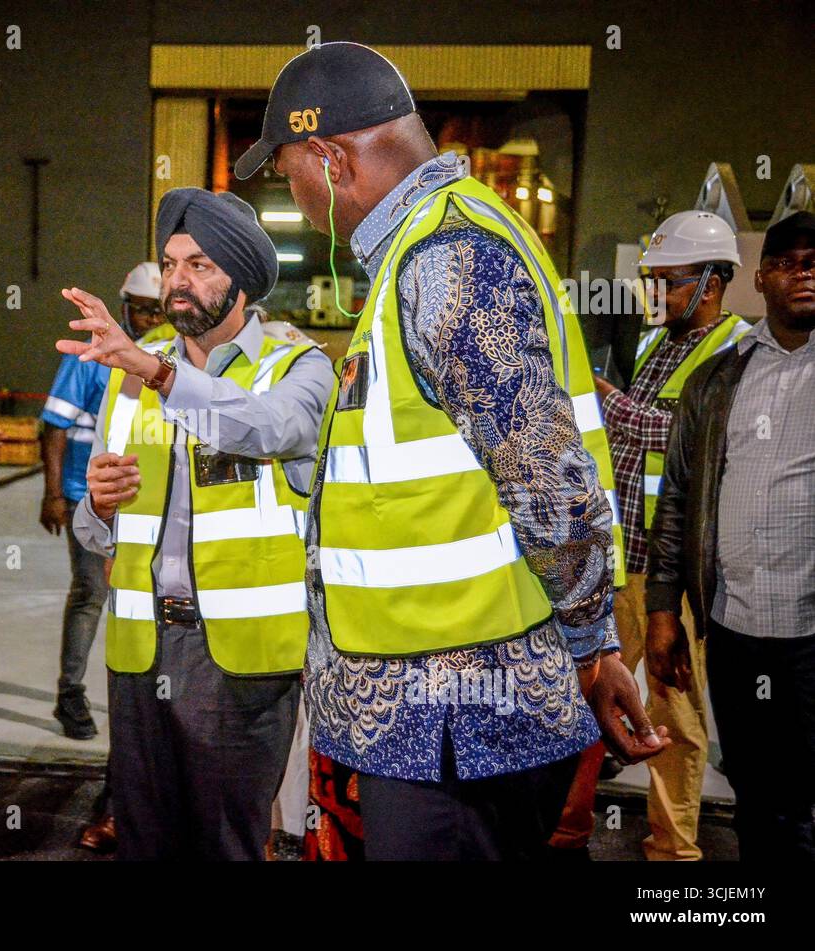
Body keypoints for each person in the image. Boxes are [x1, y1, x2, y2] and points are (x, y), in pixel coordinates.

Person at [235, 42, 667, 860]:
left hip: (457, 722)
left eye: (287, 169)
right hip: (436, 717)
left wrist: (590, 640)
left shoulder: (449, 257)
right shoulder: (428, 248)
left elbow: (549, 479)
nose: (287, 189)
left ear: (329, 160)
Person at [60, 188, 334, 860]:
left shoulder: (298, 366)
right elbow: (94, 532)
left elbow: (266, 428)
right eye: (171, 263)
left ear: (241, 279)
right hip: (141, 650)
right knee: (145, 845)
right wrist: (96, 504)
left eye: (201, 264)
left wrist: (155, 371)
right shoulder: (135, 366)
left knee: (225, 847)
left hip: (240, 660)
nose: (178, 279)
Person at [552, 211, 751, 859]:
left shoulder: (739, 352)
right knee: (589, 696)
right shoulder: (657, 345)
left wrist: (597, 394)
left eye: (669, 282)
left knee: (674, 717)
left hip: (677, 571)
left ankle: (673, 852)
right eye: (654, 281)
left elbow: (678, 439)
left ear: (713, 282)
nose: (656, 296)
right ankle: (569, 826)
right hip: (619, 559)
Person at [647, 210, 815, 860]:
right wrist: (664, 610)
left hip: (807, 637)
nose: (804, 272)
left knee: (799, 806)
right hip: (739, 632)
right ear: (762, 276)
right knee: (753, 796)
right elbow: (678, 500)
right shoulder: (719, 381)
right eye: (789, 260)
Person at [41, 261, 166, 741]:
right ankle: (70, 693)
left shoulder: (170, 359)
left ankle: (144, 698)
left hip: (146, 500)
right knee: (92, 594)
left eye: (158, 311)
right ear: (125, 307)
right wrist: (54, 495)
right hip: (87, 496)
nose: (151, 320)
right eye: (142, 311)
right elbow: (54, 425)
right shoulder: (90, 357)